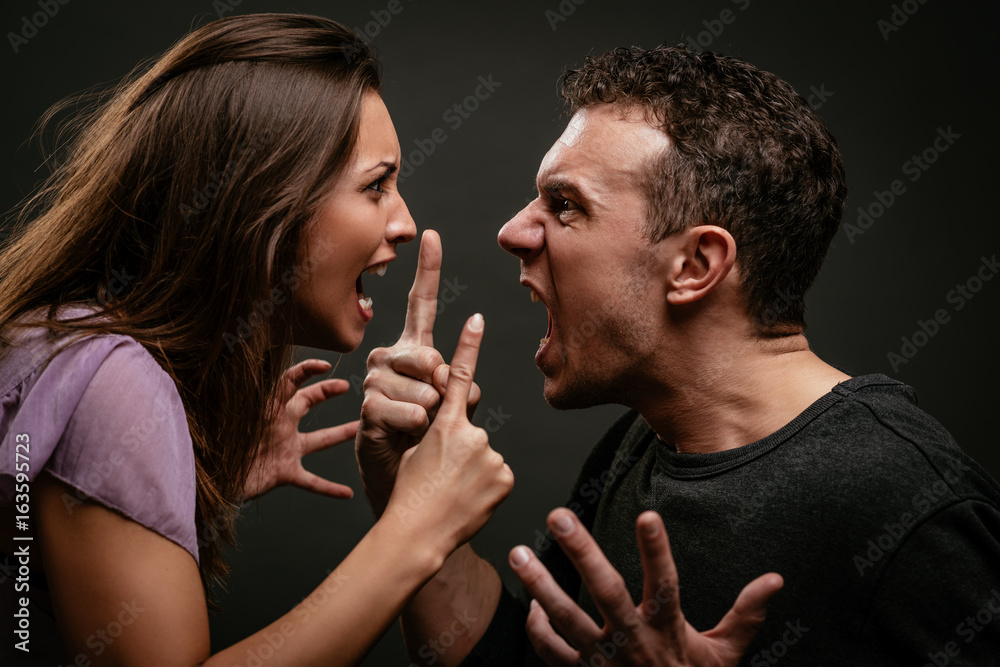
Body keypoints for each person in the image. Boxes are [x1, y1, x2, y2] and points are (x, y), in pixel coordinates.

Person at [356, 44, 1000, 665]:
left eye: (565, 204)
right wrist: (405, 494)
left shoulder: (906, 501)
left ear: (695, 265)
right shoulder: (638, 443)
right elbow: (520, 659)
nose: (512, 232)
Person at [0, 13, 512, 666]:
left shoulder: (58, 336)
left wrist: (184, 478)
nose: (406, 222)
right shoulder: (111, 381)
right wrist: (418, 526)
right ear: (259, 203)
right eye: (376, 186)